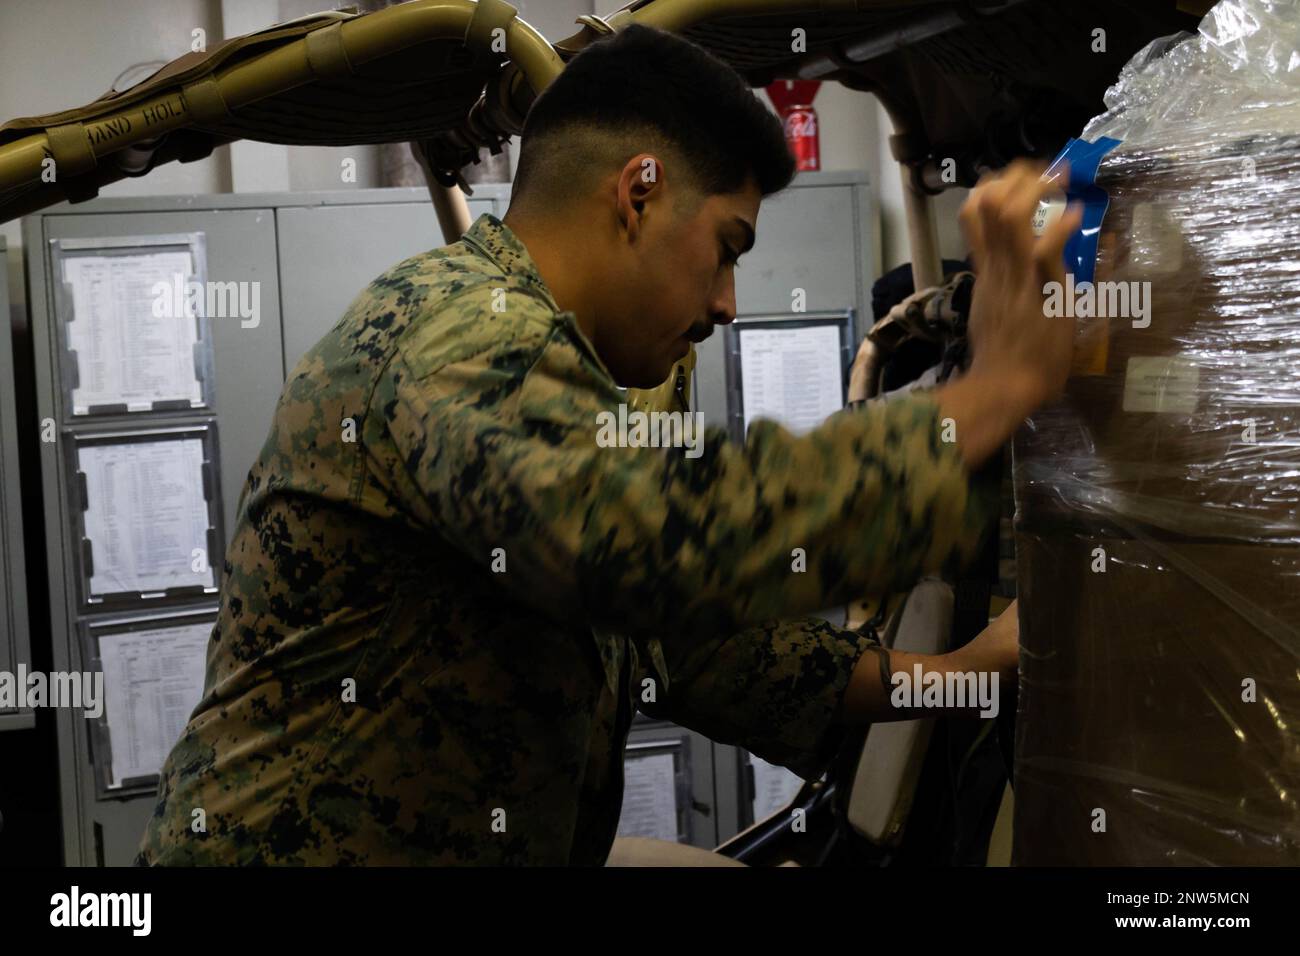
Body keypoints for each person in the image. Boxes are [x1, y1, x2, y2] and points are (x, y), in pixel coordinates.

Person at [137, 24, 1079, 865]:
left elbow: (712, 657)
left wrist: (961, 676)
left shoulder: (551, 373)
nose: (725, 304)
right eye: (728, 246)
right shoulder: (457, 331)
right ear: (639, 191)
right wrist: (987, 396)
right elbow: (658, 542)